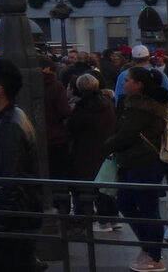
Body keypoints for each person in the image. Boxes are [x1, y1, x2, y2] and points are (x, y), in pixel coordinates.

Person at [106, 66, 168, 271]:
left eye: (127, 80)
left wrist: (108, 144)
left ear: (139, 85)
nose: (124, 83)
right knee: (127, 203)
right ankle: (148, 247)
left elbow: (125, 135)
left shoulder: (141, 109)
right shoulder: (134, 106)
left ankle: (154, 254)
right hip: (132, 162)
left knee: (146, 208)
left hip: (143, 163)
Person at [0, 57, 40, 272]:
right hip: (16, 220)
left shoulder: (9, 127)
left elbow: (10, 180)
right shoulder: (12, 118)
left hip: (11, 225)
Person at [64, 72, 119, 232]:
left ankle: (87, 221)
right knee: (105, 185)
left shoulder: (81, 108)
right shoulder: (107, 103)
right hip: (106, 149)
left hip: (85, 151)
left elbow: (71, 130)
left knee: (85, 187)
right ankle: (110, 218)